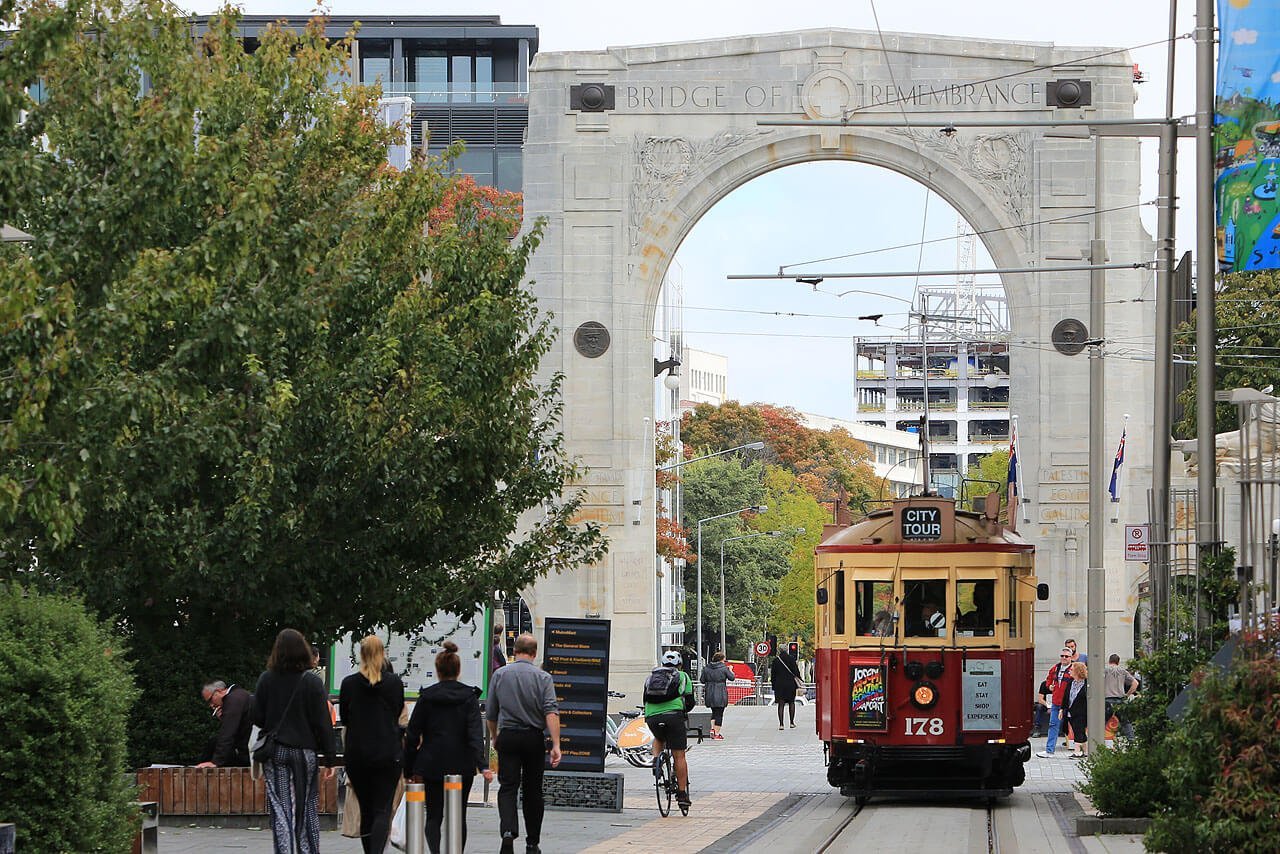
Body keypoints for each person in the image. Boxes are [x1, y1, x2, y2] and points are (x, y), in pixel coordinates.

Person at [253, 628, 338, 854]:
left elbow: (257, 717)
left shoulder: (266, 679)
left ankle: (285, 850)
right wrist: (330, 758)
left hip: (276, 751)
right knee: (307, 805)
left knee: (281, 808)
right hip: (305, 752)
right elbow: (323, 722)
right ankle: (308, 849)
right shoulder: (312, 682)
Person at [405, 640, 493, 854]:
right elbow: (474, 734)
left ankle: (435, 851)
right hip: (461, 764)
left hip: (432, 762)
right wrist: (482, 765)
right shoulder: (469, 697)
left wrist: (408, 767)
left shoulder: (426, 697)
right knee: (458, 815)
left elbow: (412, 734)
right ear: (458, 670)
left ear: (438, 670)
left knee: (434, 814)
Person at [485, 632, 561, 854]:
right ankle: (532, 842)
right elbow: (551, 712)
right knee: (532, 790)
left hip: (508, 735)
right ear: (534, 653)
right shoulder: (543, 678)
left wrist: (495, 736)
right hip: (532, 738)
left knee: (507, 786)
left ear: (514, 651)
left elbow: (491, 713)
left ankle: (508, 831)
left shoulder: (500, 675)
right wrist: (556, 744)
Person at [339, 635, 406, 854]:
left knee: (367, 810)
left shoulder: (349, 684)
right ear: (382, 654)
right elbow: (397, 713)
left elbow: (345, 718)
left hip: (358, 755)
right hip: (387, 753)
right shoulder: (394, 684)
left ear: (361, 654)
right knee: (382, 809)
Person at [644, 650, 695, 809]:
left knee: (659, 738)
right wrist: (683, 711)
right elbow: (690, 701)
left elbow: (645, 699)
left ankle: (656, 761)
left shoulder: (650, 677)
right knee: (679, 755)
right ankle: (681, 795)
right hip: (673, 717)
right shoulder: (683, 676)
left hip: (652, 716)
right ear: (679, 664)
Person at [197, 680, 254, 768]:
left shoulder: (232, 700)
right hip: (253, 748)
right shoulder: (242, 694)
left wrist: (216, 761)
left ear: (219, 691)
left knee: (213, 743)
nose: (211, 705)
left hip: (248, 753)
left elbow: (227, 732)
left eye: (210, 700)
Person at [1036, 647, 1075, 758]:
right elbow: (1048, 681)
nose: (1063, 658)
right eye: (1062, 656)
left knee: (1077, 726)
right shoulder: (1055, 668)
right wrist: (1050, 686)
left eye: (1066, 656)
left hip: (1070, 703)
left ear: (1071, 658)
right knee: (1053, 725)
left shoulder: (1074, 668)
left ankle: (1081, 750)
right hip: (1057, 702)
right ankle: (1049, 751)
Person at [1103, 653, 1140, 740]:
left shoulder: (1104, 670)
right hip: (1120, 700)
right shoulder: (1123, 671)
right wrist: (1127, 694)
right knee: (1126, 722)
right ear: (1118, 662)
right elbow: (1135, 683)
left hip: (1107, 700)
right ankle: (1131, 741)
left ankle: (1096, 742)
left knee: (1101, 722)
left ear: (1109, 661)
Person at [1061, 661, 1089, 758]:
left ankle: (1077, 751)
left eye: (1072, 669)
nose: (1070, 671)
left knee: (1078, 731)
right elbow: (1065, 697)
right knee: (1079, 731)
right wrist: (1062, 709)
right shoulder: (1070, 683)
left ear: (1077, 671)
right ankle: (1086, 751)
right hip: (1071, 712)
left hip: (1082, 713)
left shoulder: (1086, 684)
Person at [700, 651, 731, 740]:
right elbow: (731, 678)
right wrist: (730, 670)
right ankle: (717, 733)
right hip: (720, 692)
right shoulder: (724, 668)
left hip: (709, 692)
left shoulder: (706, 668)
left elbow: (702, 680)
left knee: (714, 712)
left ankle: (712, 729)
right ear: (721, 660)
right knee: (719, 713)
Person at [770, 648, 803, 730]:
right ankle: (792, 723)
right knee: (791, 703)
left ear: (779, 651)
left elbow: (773, 674)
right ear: (787, 650)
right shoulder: (791, 659)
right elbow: (796, 672)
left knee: (781, 704)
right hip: (790, 684)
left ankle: (781, 724)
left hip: (779, 685)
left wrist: (773, 685)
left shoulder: (776, 661)